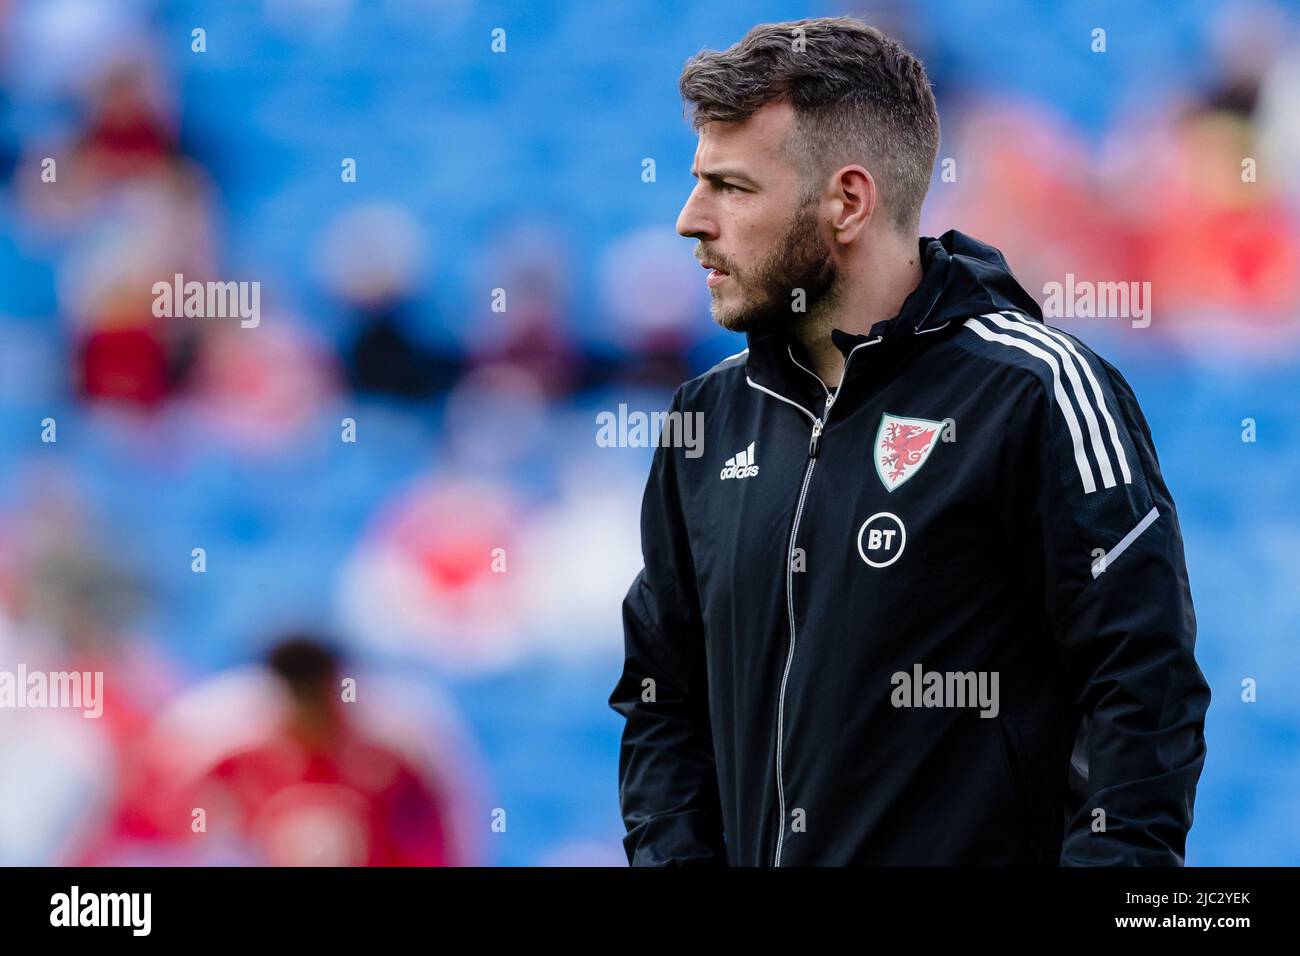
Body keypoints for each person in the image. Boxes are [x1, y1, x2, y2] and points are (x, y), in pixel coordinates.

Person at [608, 16, 1211, 866]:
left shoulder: (1036, 393)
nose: (689, 219)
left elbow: (1143, 692)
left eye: (732, 188)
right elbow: (662, 703)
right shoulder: (704, 423)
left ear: (848, 201)